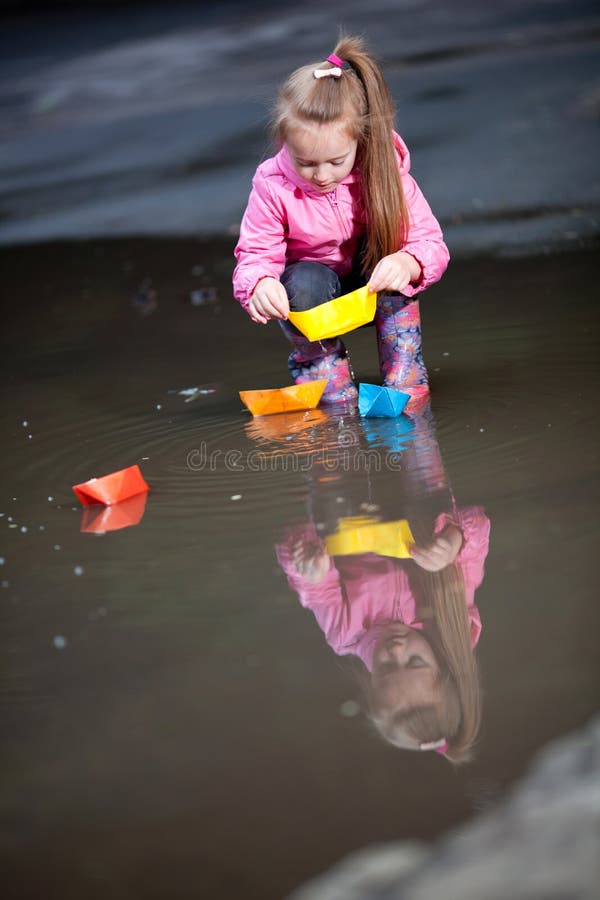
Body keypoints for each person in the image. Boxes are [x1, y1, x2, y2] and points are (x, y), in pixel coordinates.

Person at [233, 35, 449, 404]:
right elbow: (255, 253)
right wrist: (259, 285)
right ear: (286, 142)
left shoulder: (384, 172)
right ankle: (329, 385)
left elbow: (430, 244)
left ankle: (404, 378)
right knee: (300, 282)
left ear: (359, 140)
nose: (321, 175)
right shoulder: (272, 185)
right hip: (316, 294)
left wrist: (407, 261)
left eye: (336, 162)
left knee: (396, 256)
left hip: (376, 283)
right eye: (306, 163)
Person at [276, 505, 490, 764]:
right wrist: (453, 541)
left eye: (387, 667)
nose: (396, 649)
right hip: (412, 491)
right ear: (441, 665)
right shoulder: (449, 620)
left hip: (342, 502)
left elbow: (306, 576)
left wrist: (308, 562)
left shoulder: (346, 632)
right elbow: (477, 523)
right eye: (415, 661)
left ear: (371, 683)